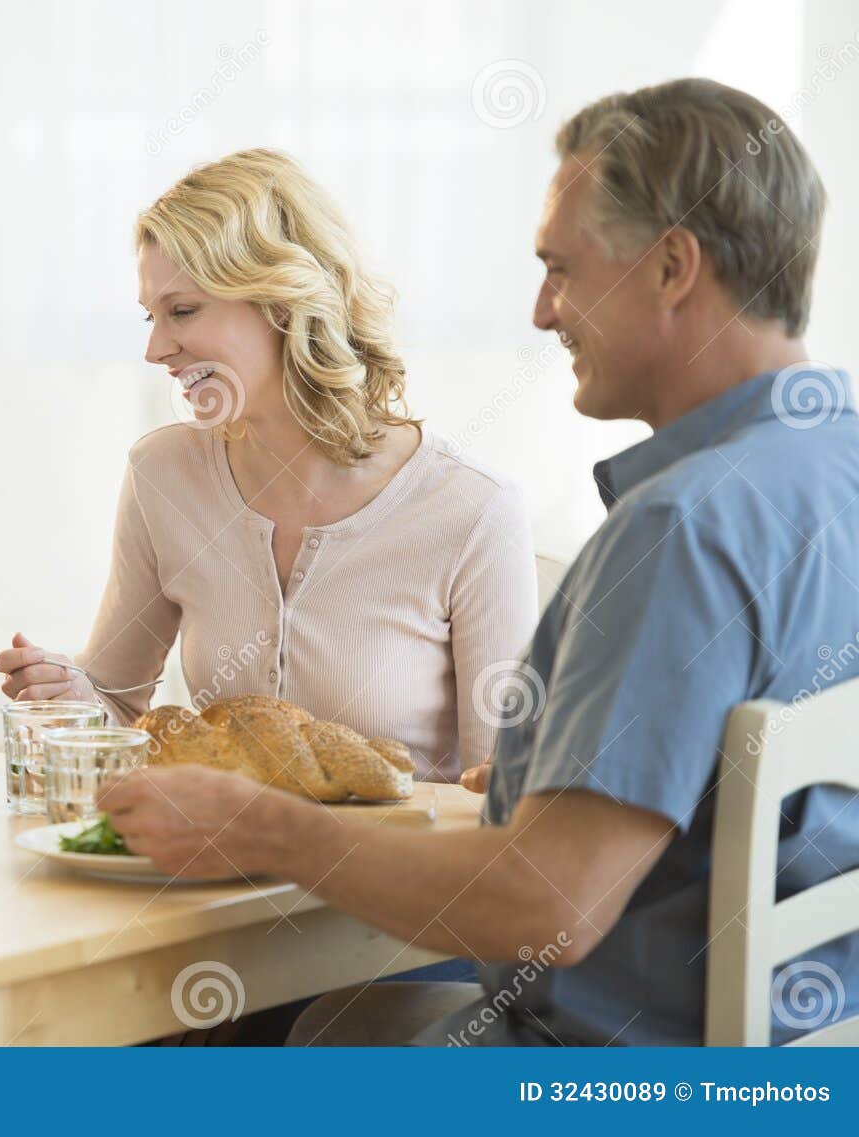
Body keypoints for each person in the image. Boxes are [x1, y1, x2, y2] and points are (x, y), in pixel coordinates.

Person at [98, 78, 859, 1046]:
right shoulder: (831, 469)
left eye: (562, 268)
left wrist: (256, 825)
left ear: (673, 268)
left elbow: (547, 908)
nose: (544, 313)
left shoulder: (683, 529)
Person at [0, 149, 536, 783]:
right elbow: (116, 702)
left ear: (282, 301)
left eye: (183, 311)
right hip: (206, 876)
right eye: (151, 315)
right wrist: (69, 694)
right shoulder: (164, 475)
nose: (155, 348)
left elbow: (503, 789)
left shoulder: (473, 509)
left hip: (389, 879)